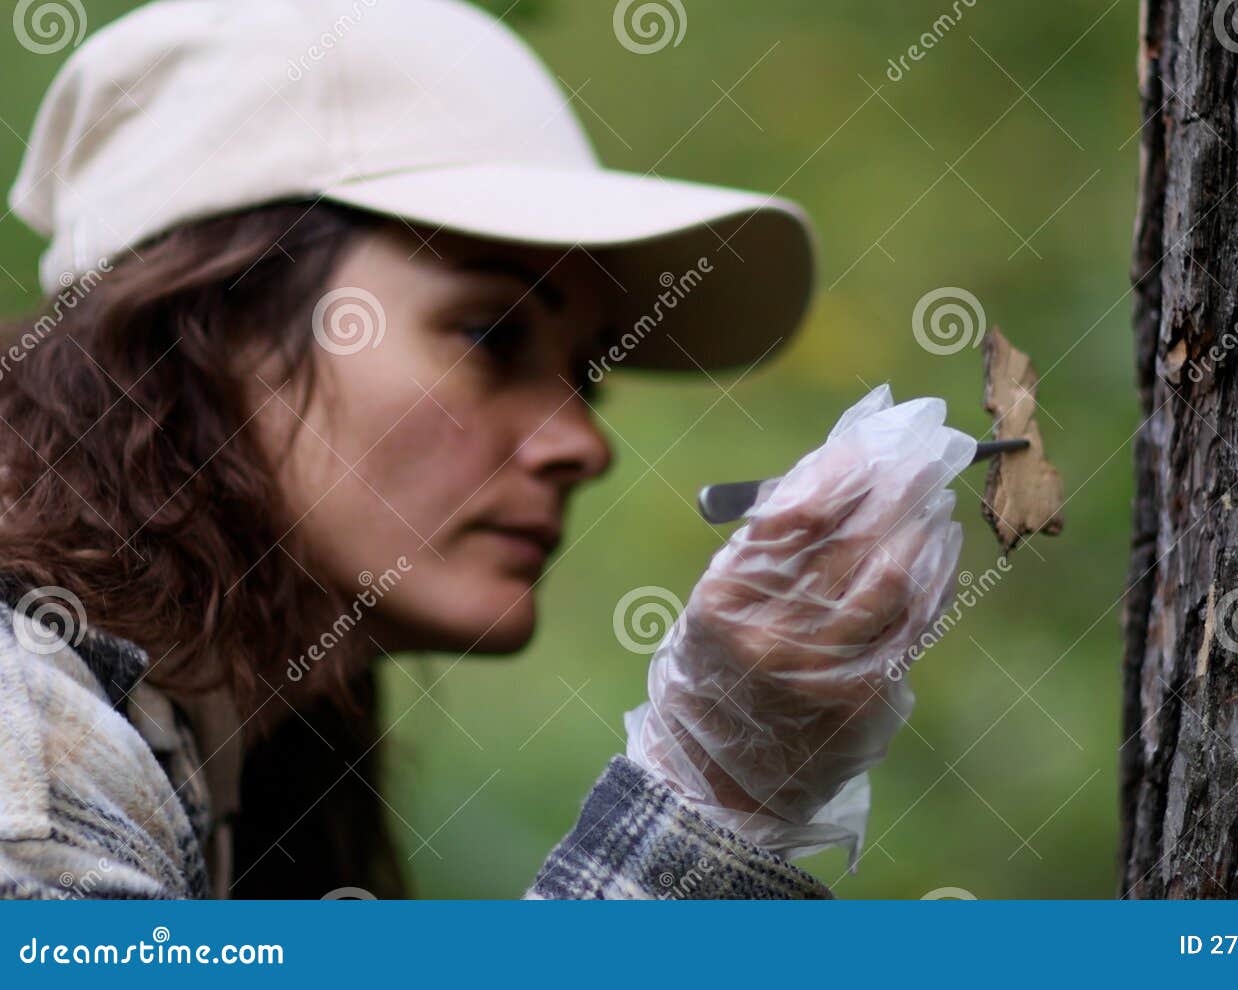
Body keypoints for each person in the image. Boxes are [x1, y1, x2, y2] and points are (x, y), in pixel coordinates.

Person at [0, 0, 969, 899]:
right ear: (206, 327)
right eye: (488, 334)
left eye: (585, 373)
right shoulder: (26, 738)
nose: (581, 443)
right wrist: (707, 805)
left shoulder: (213, 754)